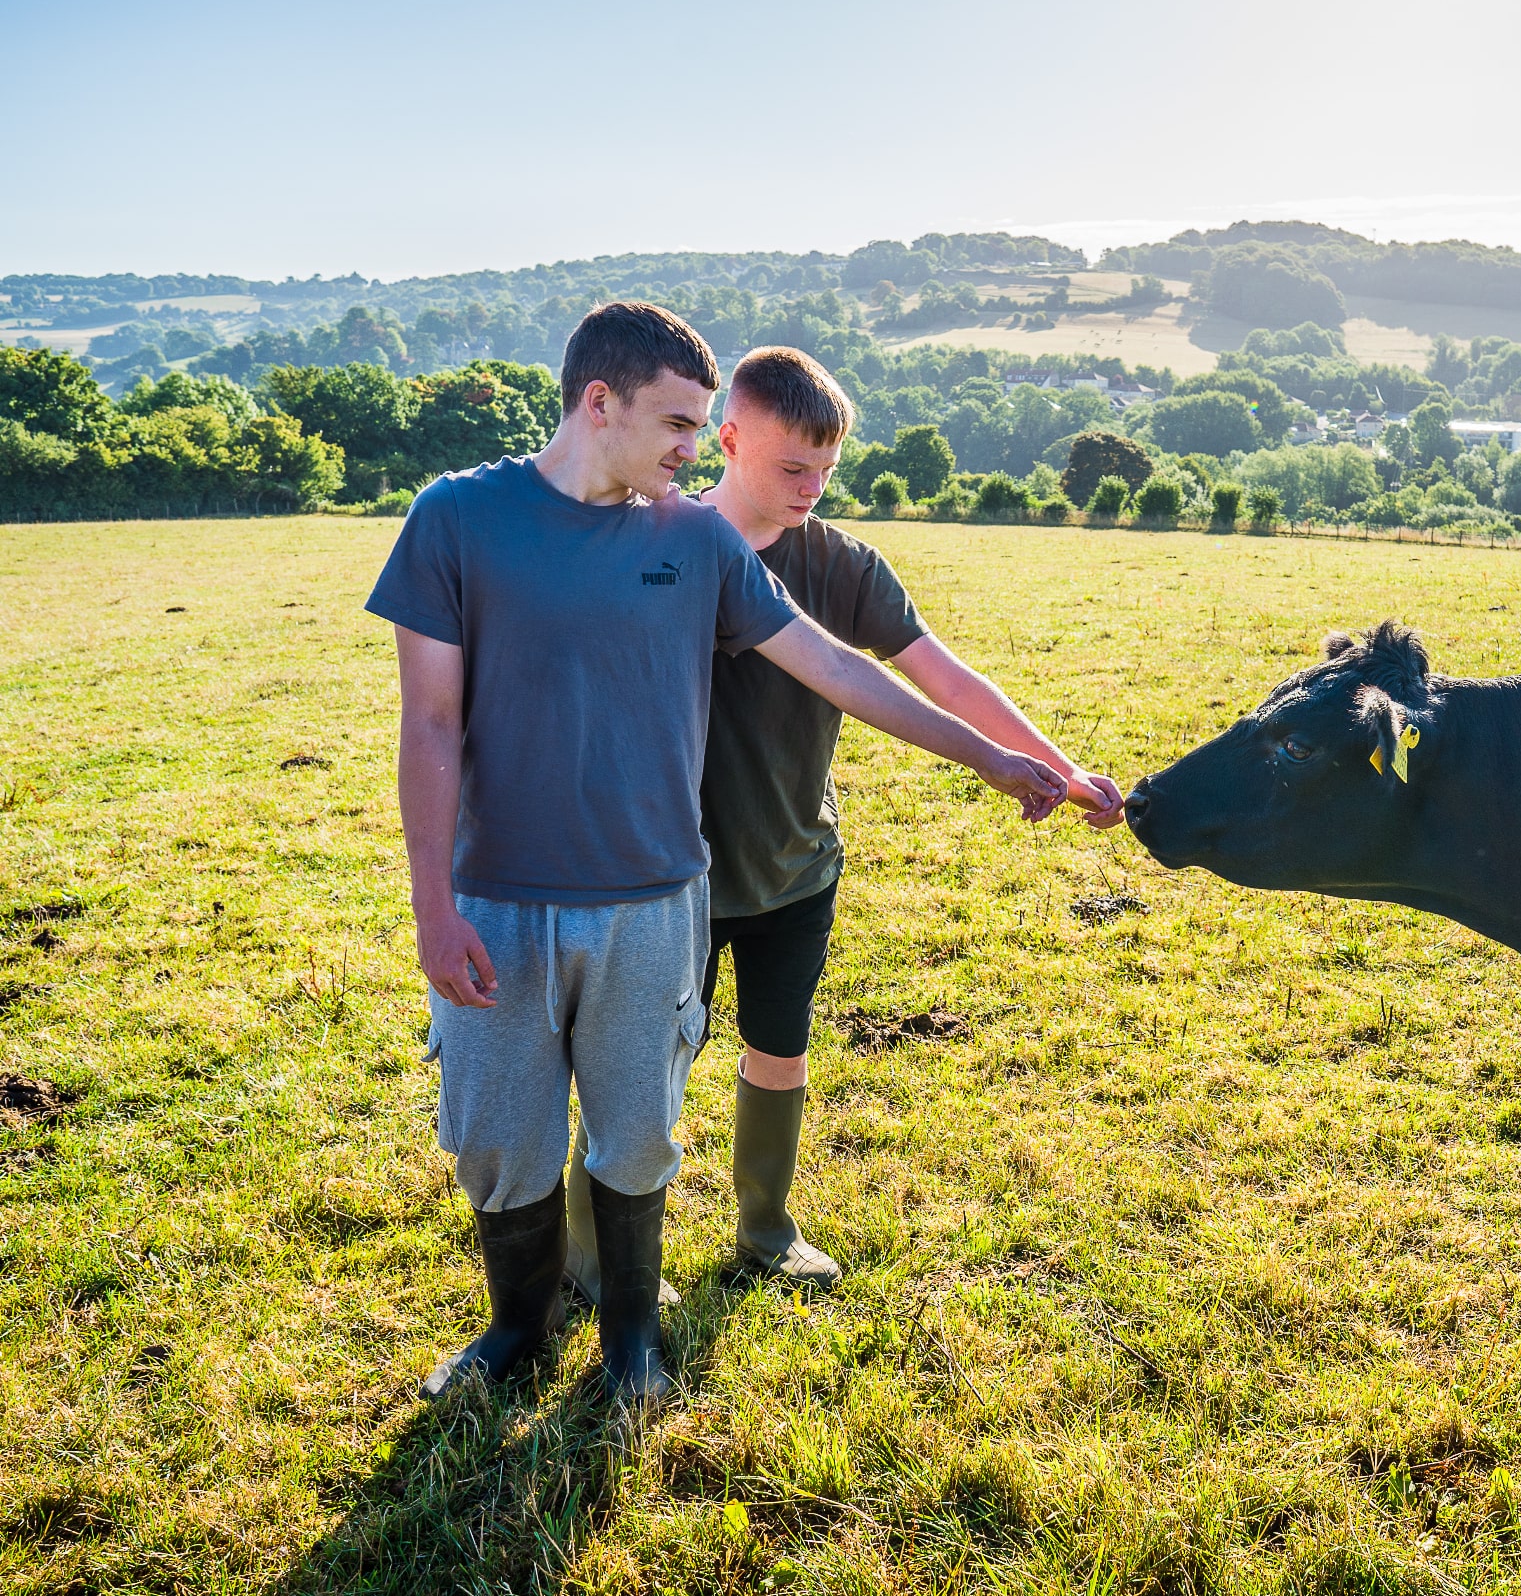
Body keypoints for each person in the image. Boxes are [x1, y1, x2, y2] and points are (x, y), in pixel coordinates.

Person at [369, 302, 1068, 1403]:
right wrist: (431, 910)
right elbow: (427, 726)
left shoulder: (691, 540)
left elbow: (841, 669)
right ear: (599, 404)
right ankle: (517, 1327)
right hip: (497, 902)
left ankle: (632, 1336)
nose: (695, 452)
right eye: (679, 424)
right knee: (501, 1140)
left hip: (656, 904)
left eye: (703, 426)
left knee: (640, 1133)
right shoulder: (456, 518)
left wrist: (992, 758)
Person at [559, 345, 1123, 1304]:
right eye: (791, 469)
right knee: (640, 1074)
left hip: (795, 869)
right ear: (727, 439)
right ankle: (590, 1254)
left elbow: (942, 677)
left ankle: (767, 1230)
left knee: (779, 1052)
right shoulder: (652, 544)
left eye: (826, 471)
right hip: (667, 881)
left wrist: (1063, 771)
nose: (812, 489)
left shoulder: (846, 565)